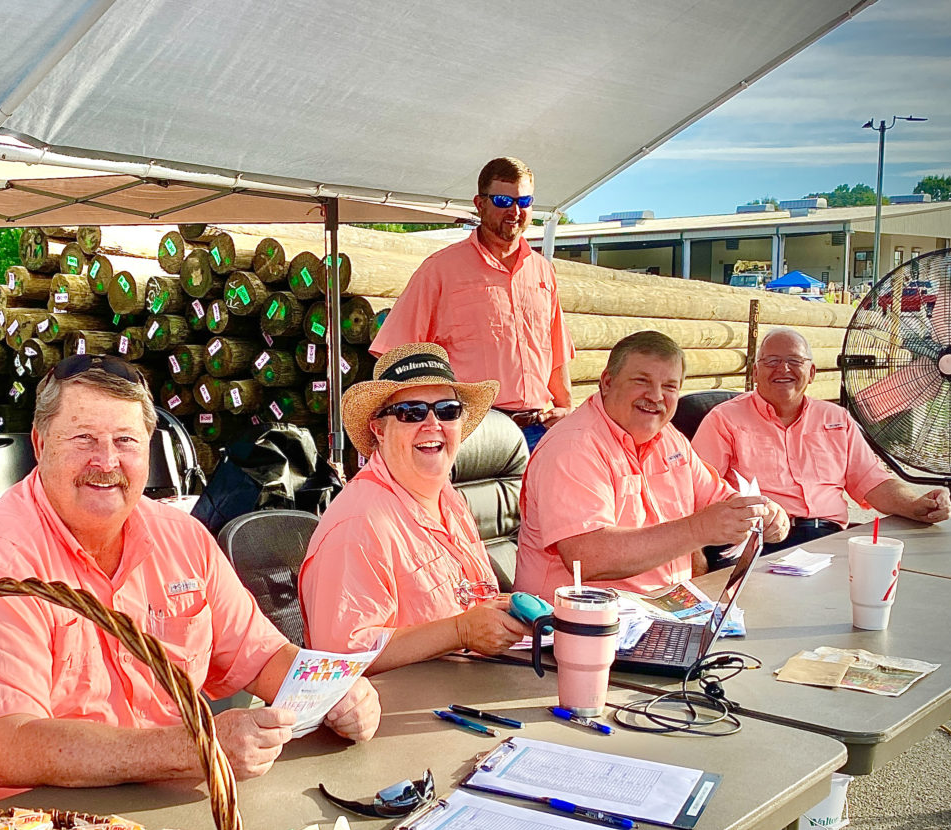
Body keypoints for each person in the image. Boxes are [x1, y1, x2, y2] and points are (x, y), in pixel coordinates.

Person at [0, 354, 380, 814]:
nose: (106, 461)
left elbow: (263, 657)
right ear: (40, 446)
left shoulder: (181, 537)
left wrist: (333, 690)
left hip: (149, 813)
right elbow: (13, 749)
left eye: (125, 441)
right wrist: (193, 748)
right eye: (83, 439)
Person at [298, 343, 525, 670]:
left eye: (447, 410)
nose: (432, 424)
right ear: (379, 429)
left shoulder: (446, 496)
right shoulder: (358, 524)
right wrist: (460, 631)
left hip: (471, 679)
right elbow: (340, 658)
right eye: (411, 412)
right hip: (403, 698)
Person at [514, 330, 790, 598]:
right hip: (574, 620)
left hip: (664, 609)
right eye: (641, 381)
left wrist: (761, 513)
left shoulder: (669, 437)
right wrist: (698, 530)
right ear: (607, 382)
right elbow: (587, 558)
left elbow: (719, 498)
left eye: (669, 386)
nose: (656, 396)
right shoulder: (573, 445)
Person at [371, 156, 576, 449]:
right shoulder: (440, 269)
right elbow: (395, 355)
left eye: (525, 201)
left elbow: (556, 349)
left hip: (540, 429)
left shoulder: (542, 271)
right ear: (480, 204)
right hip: (474, 431)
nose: (515, 211)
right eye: (503, 201)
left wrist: (567, 410)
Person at [692, 327, 951, 548]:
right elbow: (697, 491)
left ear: (812, 373)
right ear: (755, 372)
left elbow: (872, 481)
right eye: (771, 361)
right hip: (759, 540)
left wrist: (916, 504)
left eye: (795, 361)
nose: (783, 368)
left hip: (828, 538)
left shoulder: (837, 419)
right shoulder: (724, 419)